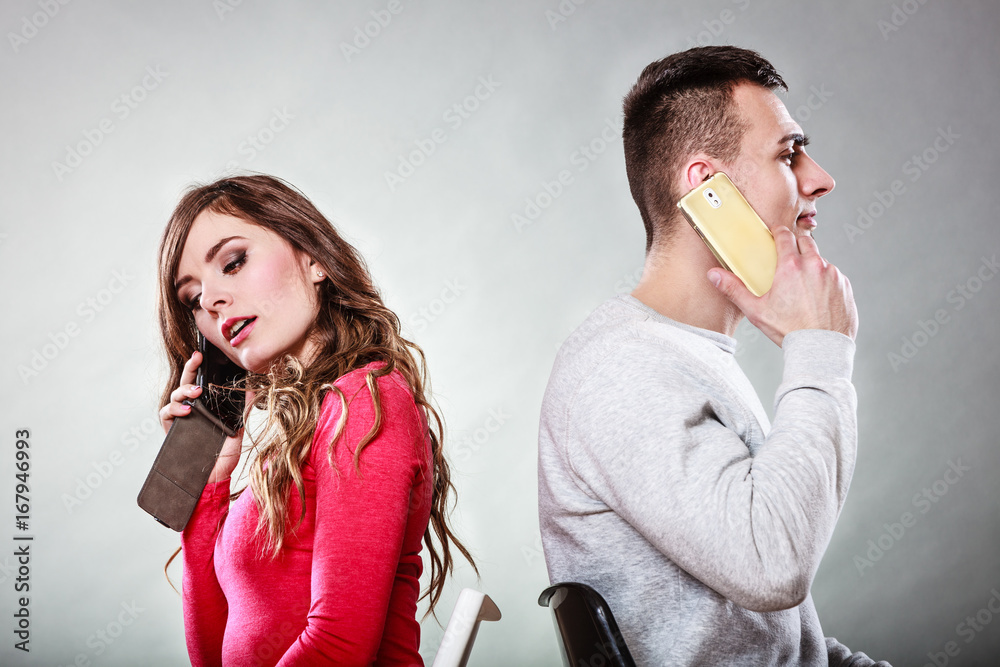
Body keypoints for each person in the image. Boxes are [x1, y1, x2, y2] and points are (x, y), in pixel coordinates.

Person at [537, 47, 890, 665]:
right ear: (708, 189)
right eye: (788, 153)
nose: (819, 178)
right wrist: (822, 350)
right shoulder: (620, 368)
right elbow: (772, 565)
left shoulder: (686, 356)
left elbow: (774, 638)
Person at [156, 174, 473, 666]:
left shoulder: (367, 403)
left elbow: (340, 648)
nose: (212, 300)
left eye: (234, 262)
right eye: (193, 298)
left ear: (314, 259)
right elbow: (212, 657)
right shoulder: (288, 446)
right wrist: (209, 483)